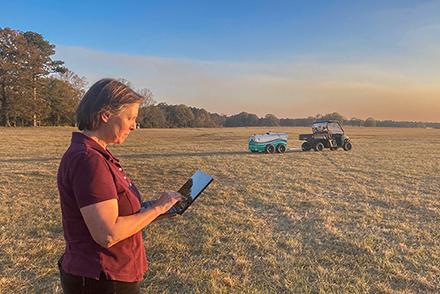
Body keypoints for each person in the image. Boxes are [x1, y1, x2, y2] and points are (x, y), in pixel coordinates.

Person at [57, 78, 182, 293]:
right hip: (102, 278)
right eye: (130, 118)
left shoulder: (94, 154)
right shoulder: (89, 160)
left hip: (103, 276)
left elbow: (117, 214)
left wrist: (156, 212)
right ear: (105, 115)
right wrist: (157, 207)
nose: (134, 125)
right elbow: (107, 234)